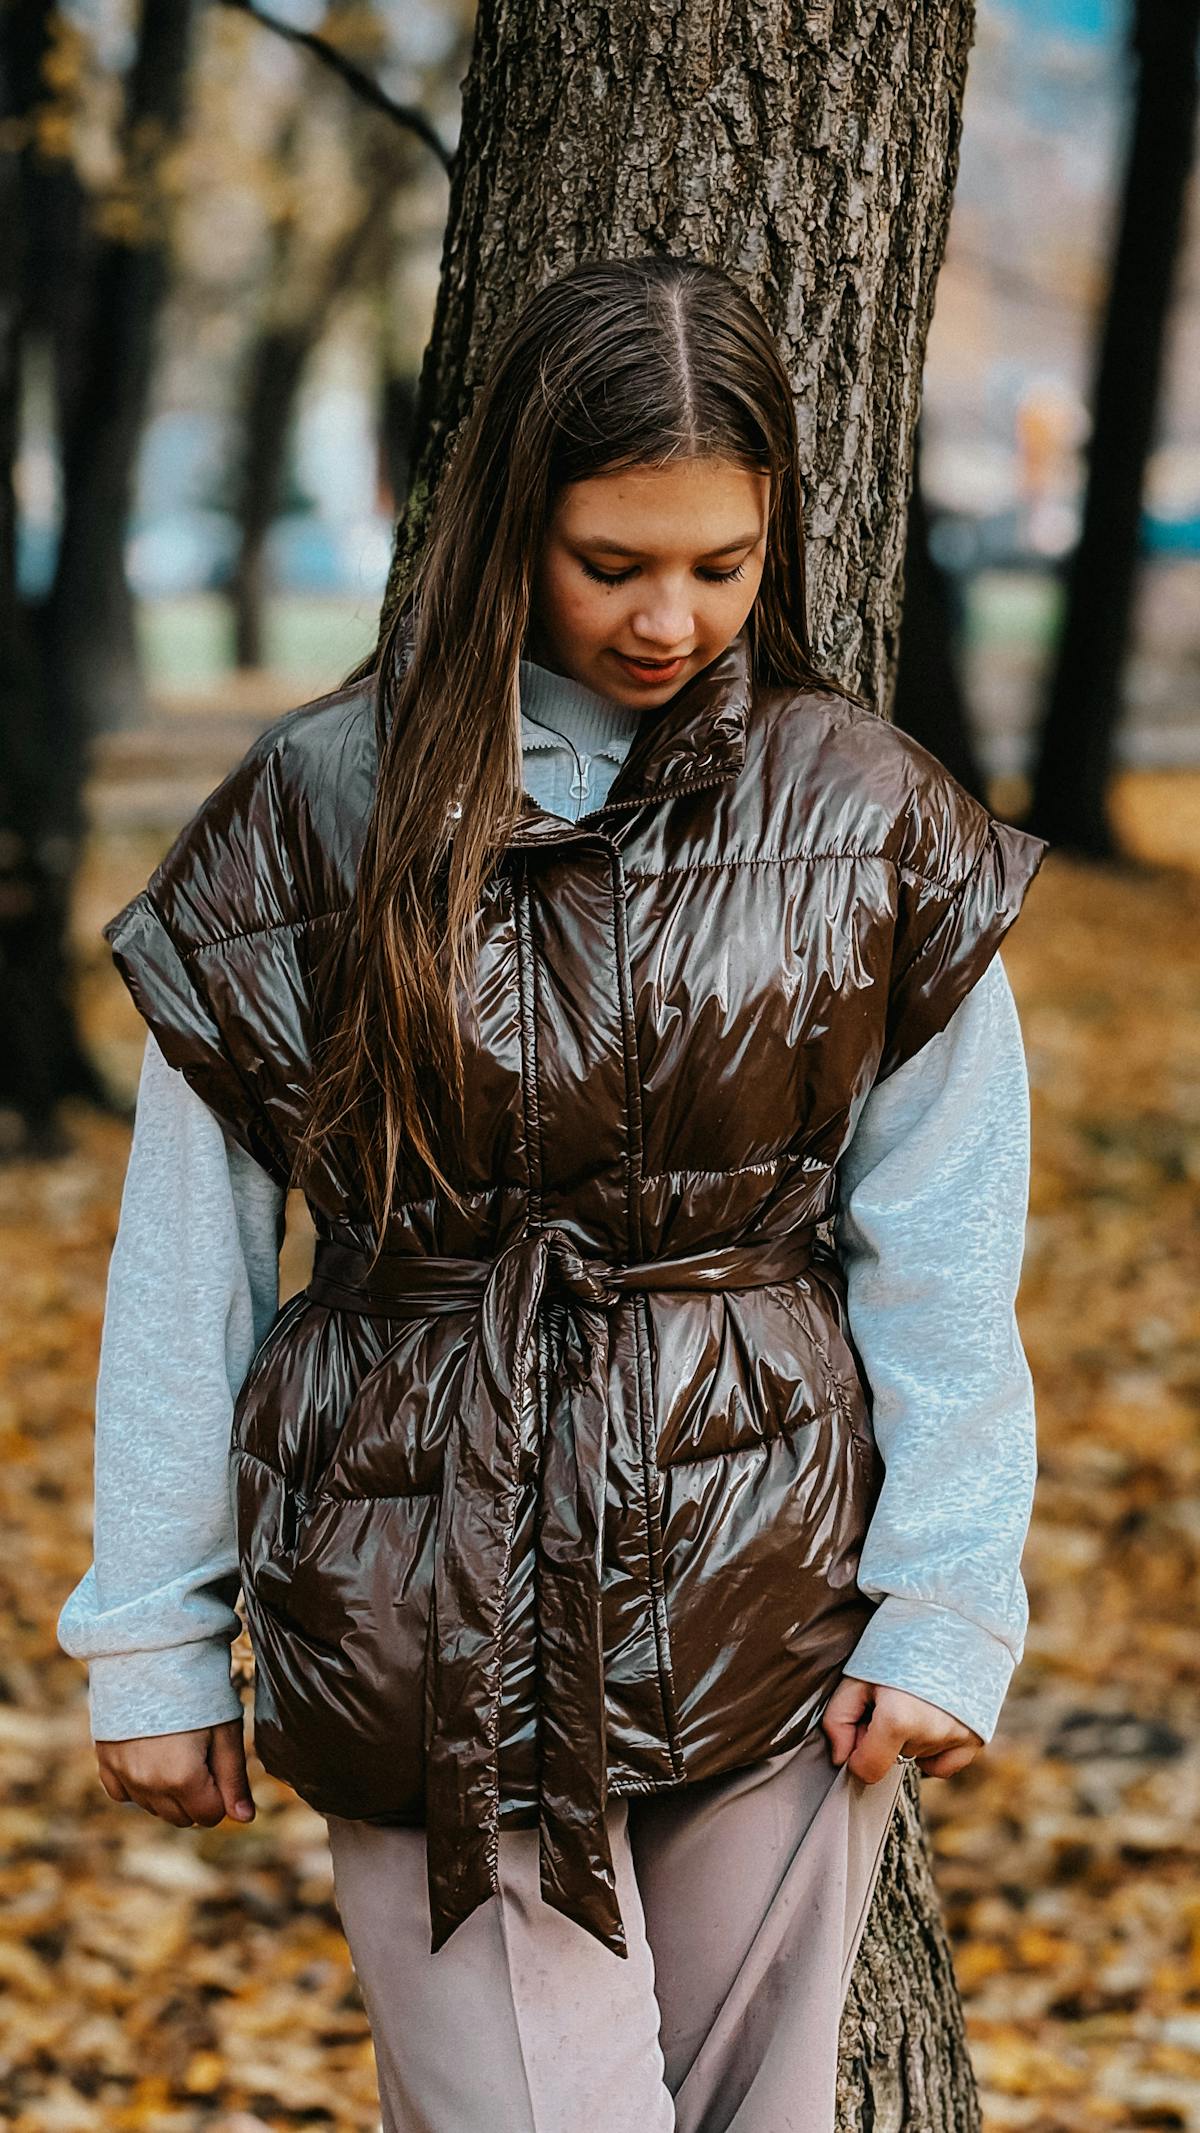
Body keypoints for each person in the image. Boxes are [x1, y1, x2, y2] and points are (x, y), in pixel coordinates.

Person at [58, 254, 1048, 2133]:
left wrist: (947, 1601)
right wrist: (154, 1636)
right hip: (417, 1578)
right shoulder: (320, 811)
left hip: (772, 1579)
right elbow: (192, 1254)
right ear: (516, 518)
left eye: (720, 565)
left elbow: (945, 1235)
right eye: (613, 563)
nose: (670, 617)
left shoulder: (870, 813)